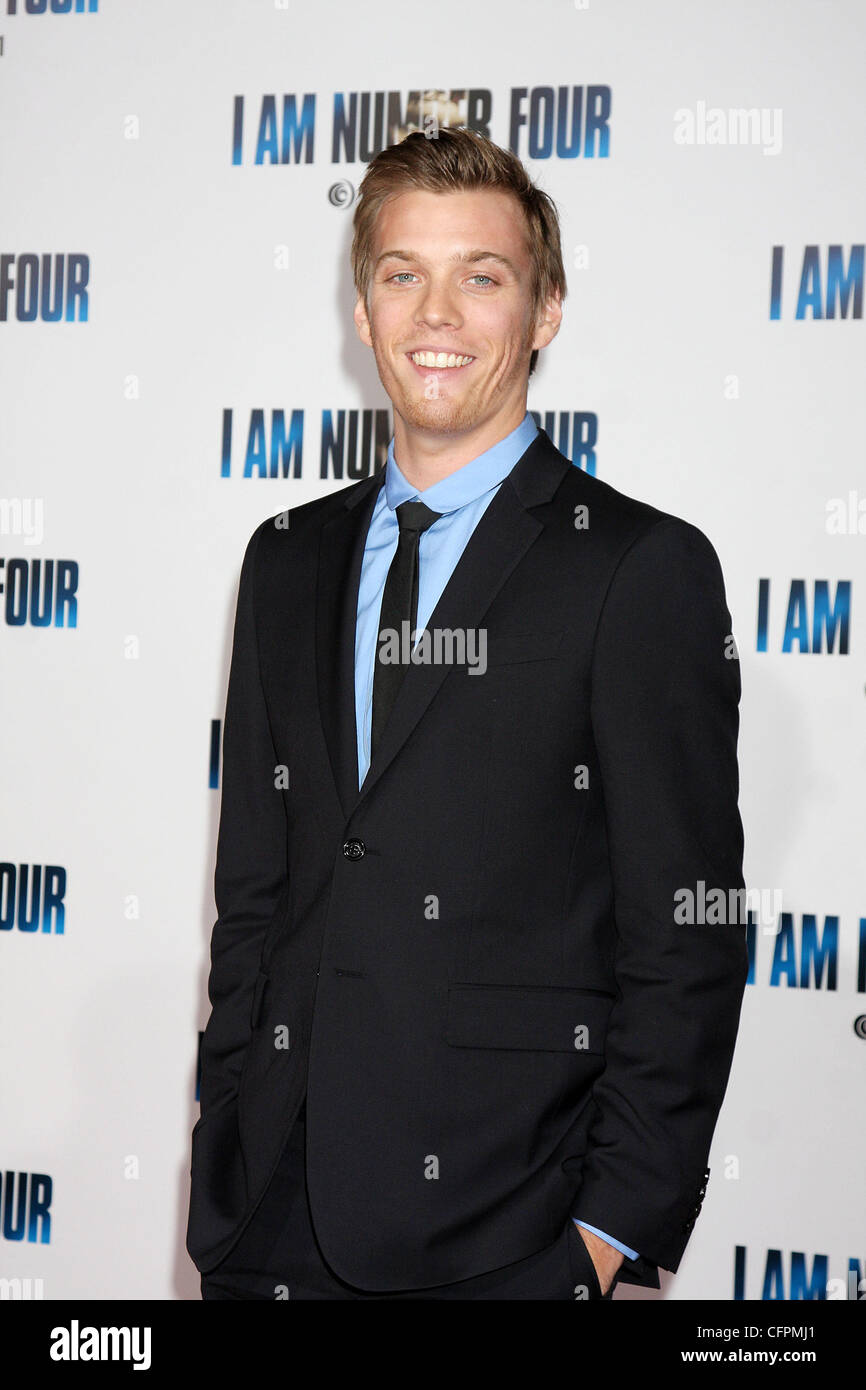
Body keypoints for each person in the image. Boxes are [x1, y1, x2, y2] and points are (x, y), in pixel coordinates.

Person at [186, 126, 748, 1301]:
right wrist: (224, 1146)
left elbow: (684, 932)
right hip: (269, 1226)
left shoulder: (636, 568)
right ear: (362, 310)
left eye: (480, 277)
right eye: (402, 274)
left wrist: (607, 1239)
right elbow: (255, 898)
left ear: (544, 311)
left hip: (513, 1231)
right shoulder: (283, 560)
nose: (435, 314)